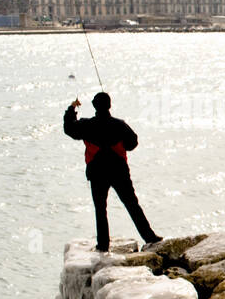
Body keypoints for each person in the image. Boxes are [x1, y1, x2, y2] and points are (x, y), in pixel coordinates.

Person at [64, 92, 162, 251]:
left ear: (94, 106)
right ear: (109, 105)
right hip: (119, 171)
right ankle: (149, 236)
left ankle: (103, 245)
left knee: (100, 209)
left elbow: (69, 128)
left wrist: (72, 108)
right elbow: (132, 143)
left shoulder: (86, 125)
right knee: (132, 205)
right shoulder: (120, 125)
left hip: (97, 173)